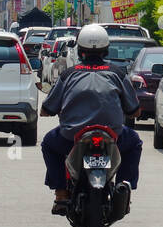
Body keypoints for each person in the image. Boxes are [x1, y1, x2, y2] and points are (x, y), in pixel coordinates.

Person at [39, 24, 141, 216]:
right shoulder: (118, 73)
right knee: (134, 142)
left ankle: (61, 194)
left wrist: (47, 111)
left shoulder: (68, 74)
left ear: (80, 50)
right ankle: (124, 188)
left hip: (72, 136)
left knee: (49, 144)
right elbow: (134, 110)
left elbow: (48, 108)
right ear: (106, 49)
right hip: (113, 135)